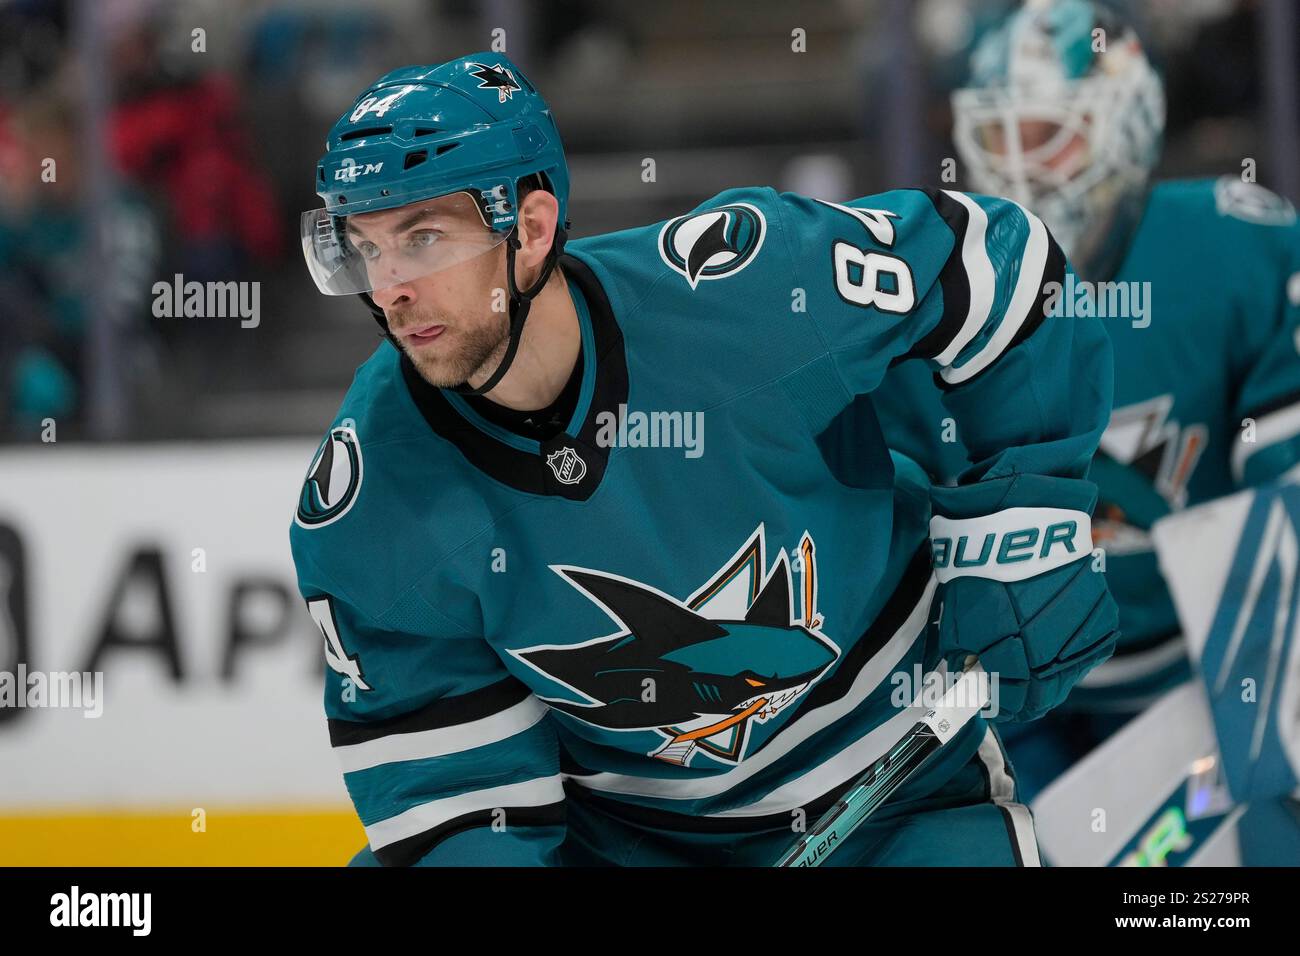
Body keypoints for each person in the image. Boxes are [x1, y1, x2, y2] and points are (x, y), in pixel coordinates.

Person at [289, 52, 1117, 866]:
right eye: (363, 246)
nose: (388, 285)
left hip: (901, 788)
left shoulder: (744, 291)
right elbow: (460, 810)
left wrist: (1027, 511)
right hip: (629, 845)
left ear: (530, 229)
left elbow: (1003, 273)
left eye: (422, 238)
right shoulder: (371, 504)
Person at [875, 0, 1300, 803]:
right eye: (1001, 138)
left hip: (1207, 677)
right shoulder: (930, 283)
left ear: (1126, 122)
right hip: (1002, 696)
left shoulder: (1232, 251)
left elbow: (1287, 513)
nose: (1023, 171)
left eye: (1050, 134)